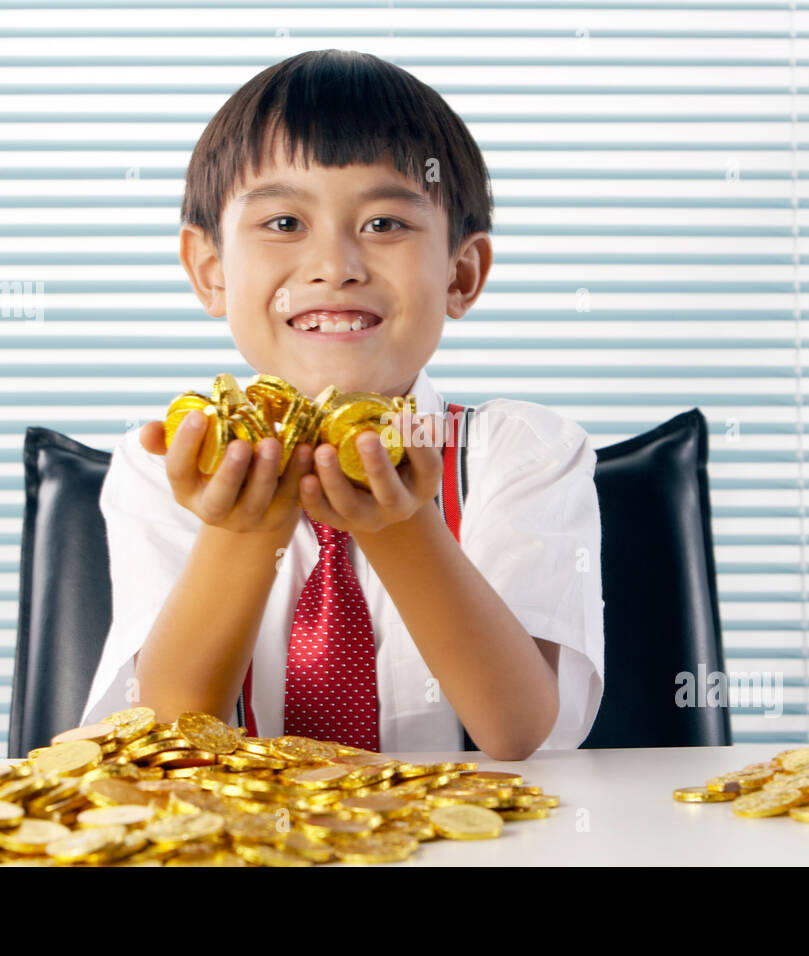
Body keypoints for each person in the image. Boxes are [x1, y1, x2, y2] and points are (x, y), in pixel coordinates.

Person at [80, 50, 603, 760]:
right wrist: (243, 531)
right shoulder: (162, 470)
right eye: (285, 224)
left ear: (462, 273)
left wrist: (401, 524)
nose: (336, 265)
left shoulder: (523, 452)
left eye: (385, 224)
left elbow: (517, 730)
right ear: (210, 273)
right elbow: (169, 738)